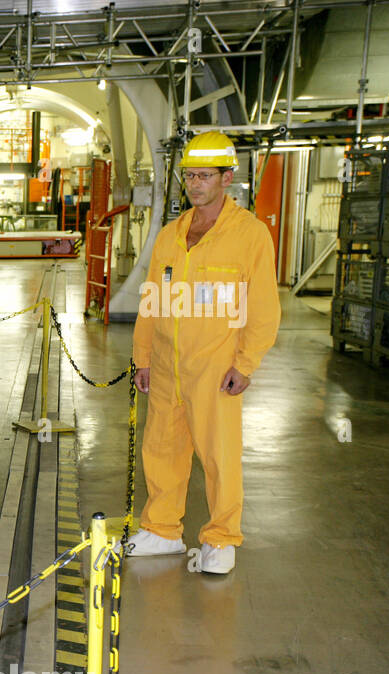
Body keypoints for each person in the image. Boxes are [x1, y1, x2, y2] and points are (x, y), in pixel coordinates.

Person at [125, 130, 281, 574]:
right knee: (161, 450)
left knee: (218, 456)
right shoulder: (172, 234)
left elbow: (264, 308)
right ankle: (161, 530)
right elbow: (152, 300)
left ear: (227, 178)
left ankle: (221, 539)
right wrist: (144, 359)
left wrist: (245, 363)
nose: (194, 185)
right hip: (167, 364)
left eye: (204, 177)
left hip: (215, 367)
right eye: (189, 176)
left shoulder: (249, 235)